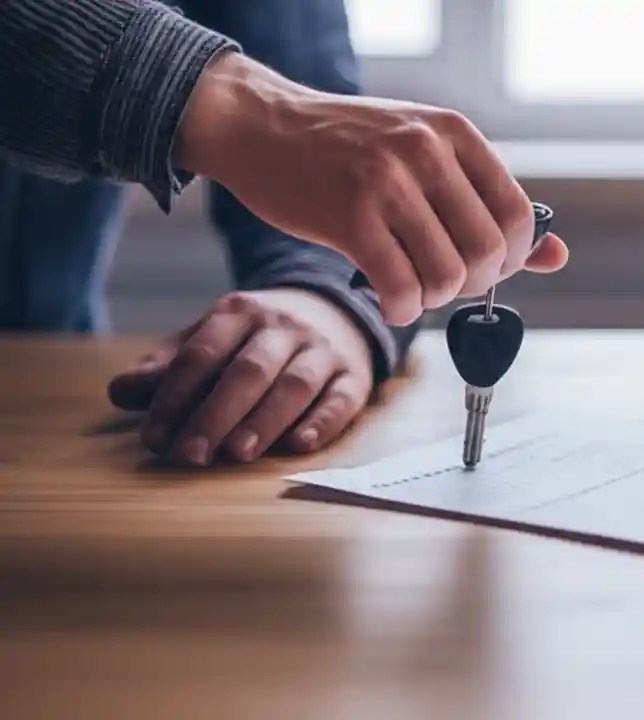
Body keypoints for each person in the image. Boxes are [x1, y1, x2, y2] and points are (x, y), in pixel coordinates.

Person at [0, 0, 568, 467]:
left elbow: (312, 113)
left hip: (50, 393)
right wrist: (224, 104)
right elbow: (287, 125)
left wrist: (321, 294)